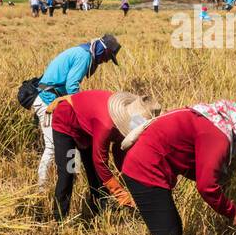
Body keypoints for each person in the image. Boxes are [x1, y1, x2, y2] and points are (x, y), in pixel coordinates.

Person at [120, 99, 236, 235]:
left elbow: (184, 156)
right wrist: (233, 213)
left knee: (173, 234)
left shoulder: (210, 118)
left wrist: (215, 179)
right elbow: (207, 187)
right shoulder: (218, 136)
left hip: (144, 164)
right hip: (144, 170)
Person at [48, 90, 161, 222]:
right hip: (67, 122)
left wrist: (130, 178)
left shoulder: (128, 118)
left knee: (95, 175)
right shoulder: (106, 125)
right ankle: (58, 219)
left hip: (89, 126)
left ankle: (97, 215)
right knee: (69, 172)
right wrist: (120, 194)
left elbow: (119, 151)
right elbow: (100, 161)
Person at [31, 34, 122, 188]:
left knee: (72, 143)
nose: (106, 61)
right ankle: (41, 186)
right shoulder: (84, 56)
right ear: (103, 50)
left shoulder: (83, 51)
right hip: (48, 100)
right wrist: (81, 107)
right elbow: (72, 85)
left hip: (56, 98)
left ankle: (72, 177)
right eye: (108, 57)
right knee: (52, 145)